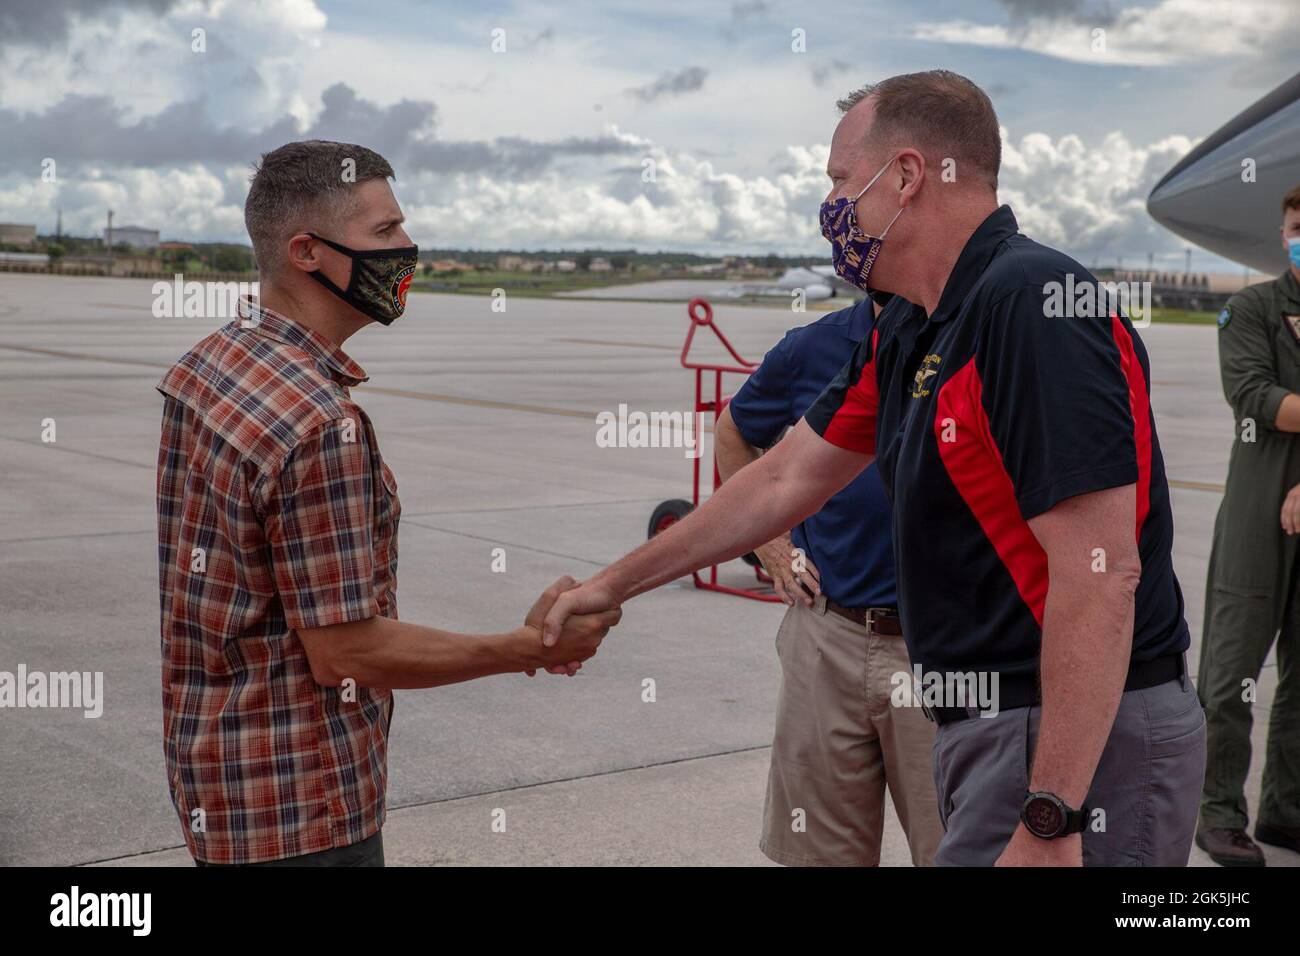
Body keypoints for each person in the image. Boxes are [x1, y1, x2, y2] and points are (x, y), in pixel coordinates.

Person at [541, 71, 1205, 866]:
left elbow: (1102, 574)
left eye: (839, 183)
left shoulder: (1033, 304)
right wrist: (610, 585)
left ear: (906, 176)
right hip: (992, 730)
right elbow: (784, 479)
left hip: (1074, 736)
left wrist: (1052, 816)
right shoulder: (915, 331)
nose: (830, 210)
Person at [155, 140, 617, 867]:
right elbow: (345, 651)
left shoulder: (212, 363)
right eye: (384, 232)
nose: (409, 248)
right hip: (303, 809)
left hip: (220, 779)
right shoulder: (318, 422)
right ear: (307, 252)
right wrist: (526, 648)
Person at [717, 299, 941, 866]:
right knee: (820, 855)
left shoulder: (980, 336)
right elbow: (734, 431)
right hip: (827, 634)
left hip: (943, 650)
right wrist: (770, 545)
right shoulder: (812, 347)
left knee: (957, 850)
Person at [1196, 184, 1300, 866]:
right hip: (1258, 518)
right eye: (1298, 225)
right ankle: (1216, 810)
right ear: (1284, 232)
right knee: (1232, 668)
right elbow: (1255, 397)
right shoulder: (1251, 309)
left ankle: (1286, 810)